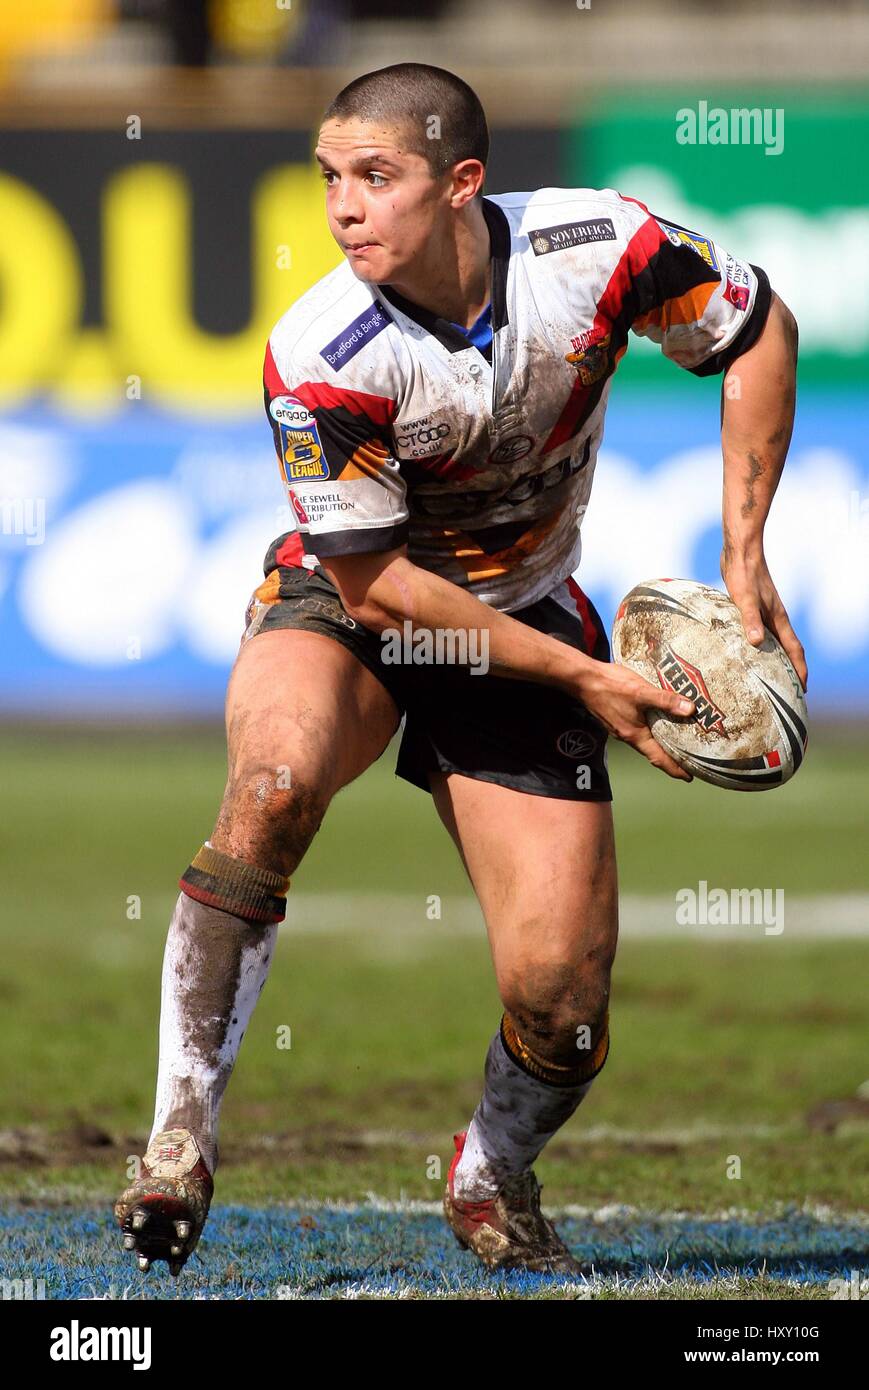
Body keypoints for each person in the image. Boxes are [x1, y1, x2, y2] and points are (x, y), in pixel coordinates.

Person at [114, 62, 806, 1277]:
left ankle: (489, 1172)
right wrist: (581, 675)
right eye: (329, 178)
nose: (342, 207)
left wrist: (743, 549)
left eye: (374, 177)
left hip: (521, 611)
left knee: (563, 1005)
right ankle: (176, 1137)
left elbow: (754, 330)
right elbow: (377, 582)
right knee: (271, 782)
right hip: (356, 598)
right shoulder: (320, 346)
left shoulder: (599, 247)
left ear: (462, 183)